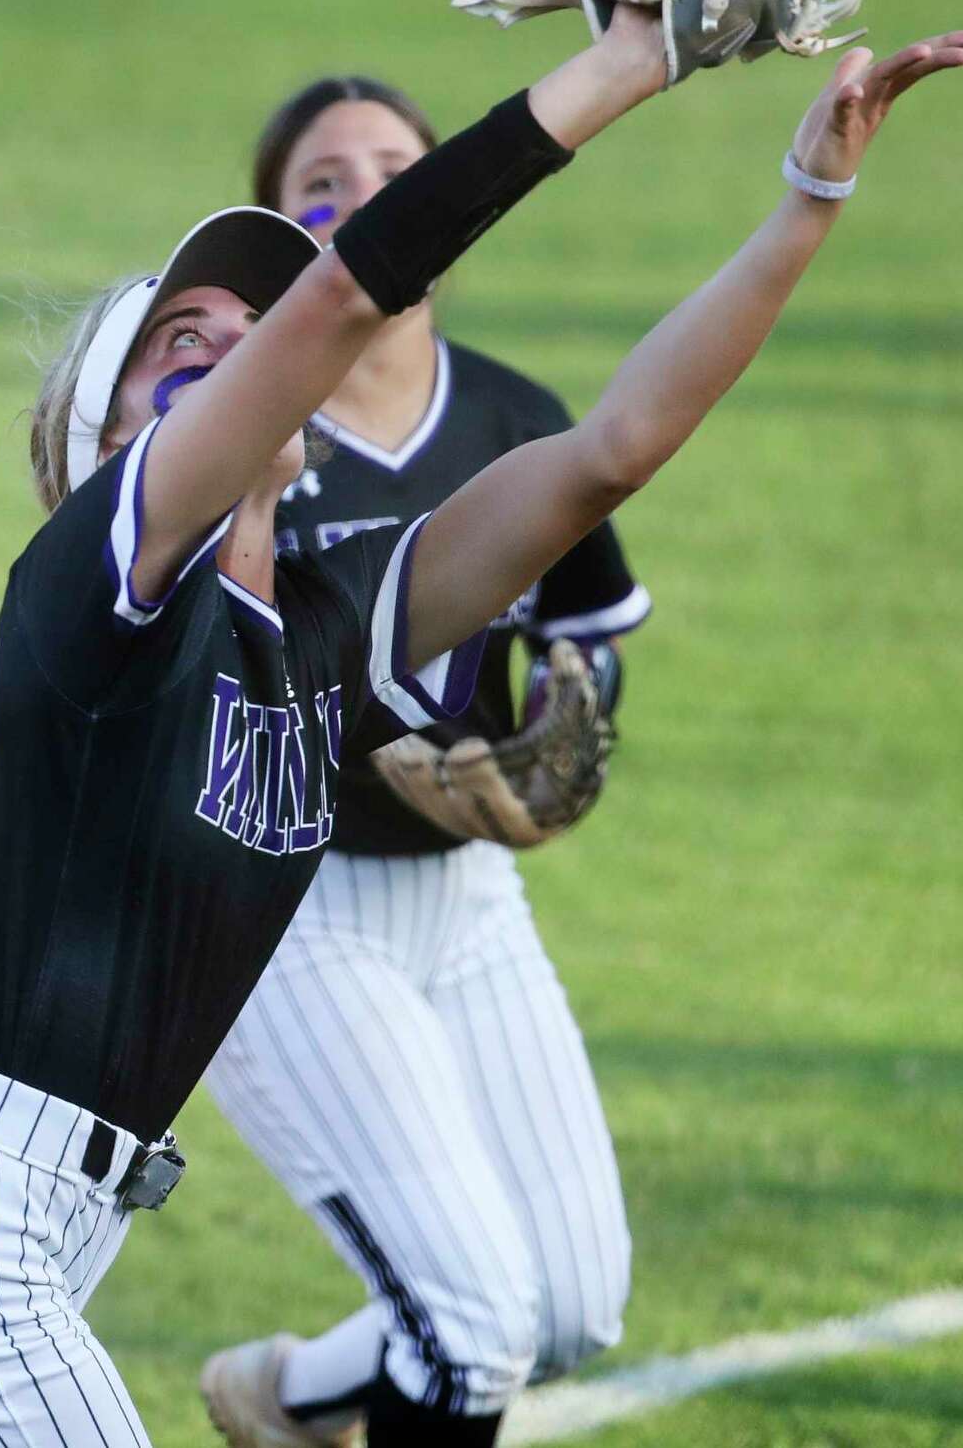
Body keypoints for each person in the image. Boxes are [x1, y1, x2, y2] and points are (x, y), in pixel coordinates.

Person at [0, 4, 963, 1448]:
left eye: (248, 331)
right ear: (105, 449)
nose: (236, 346)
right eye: (176, 346)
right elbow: (342, 299)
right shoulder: (101, 593)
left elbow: (606, 454)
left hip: (42, 1223)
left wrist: (808, 200)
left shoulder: (323, 630)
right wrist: (627, 65)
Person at [200, 74, 652, 1448]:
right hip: (289, 919)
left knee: (568, 1309)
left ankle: (285, 1392)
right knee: (472, 1324)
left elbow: (585, 628)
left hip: (467, 908)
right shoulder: (235, 437)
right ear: (280, 230)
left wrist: (564, 730)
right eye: (321, 180)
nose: (367, 193)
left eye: (397, 165)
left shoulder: (512, 414)